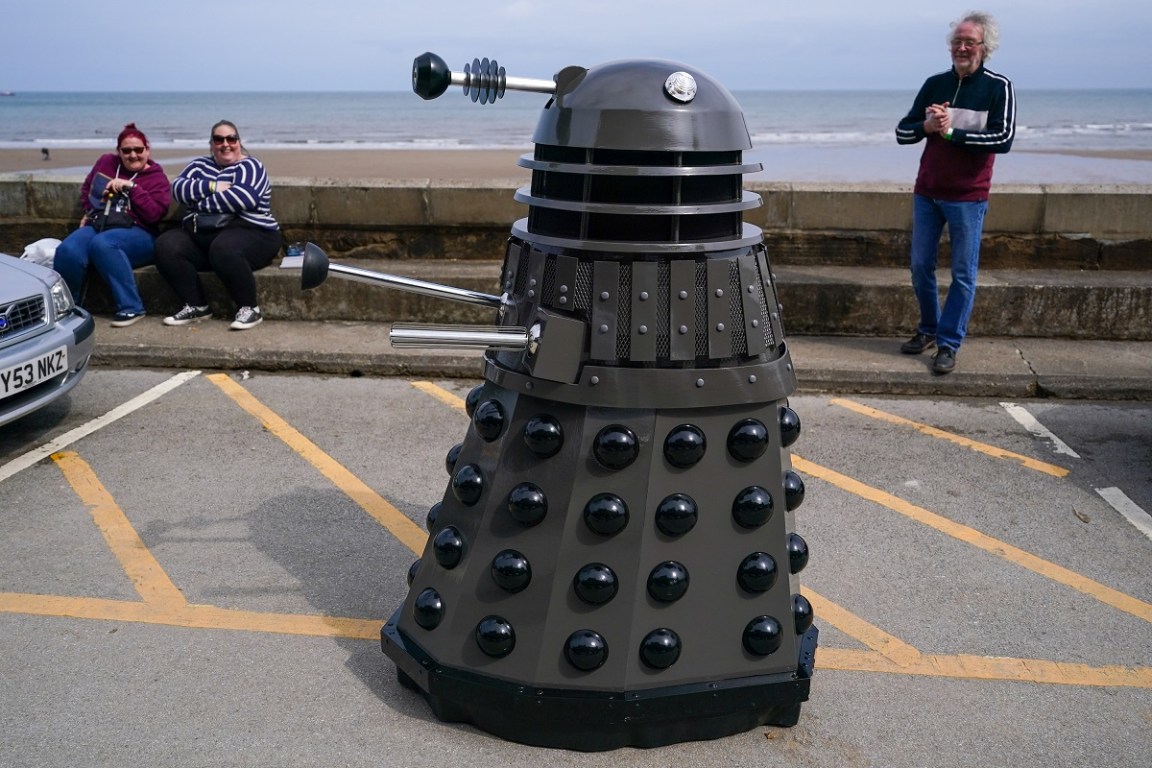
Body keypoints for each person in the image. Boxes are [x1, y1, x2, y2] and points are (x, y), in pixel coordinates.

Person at [895, 11, 1015, 374]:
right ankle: (929, 329)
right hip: (927, 192)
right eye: (957, 42)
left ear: (984, 47)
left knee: (963, 274)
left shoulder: (998, 87)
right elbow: (902, 132)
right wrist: (928, 126)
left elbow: (1003, 139)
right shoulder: (935, 84)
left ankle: (948, 343)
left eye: (970, 42)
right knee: (920, 267)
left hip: (968, 197)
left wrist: (952, 133)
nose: (962, 48)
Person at [154, 120, 281, 330]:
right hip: (204, 234)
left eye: (231, 138)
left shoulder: (251, 166)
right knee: (165, 245)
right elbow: (177, 189)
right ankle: (197, 305)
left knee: (224, 247)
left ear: (239, 142)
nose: (225, 144)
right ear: (211, 144)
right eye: (219, 139)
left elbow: (243, 198)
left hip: (255, 234)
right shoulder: (198, 166)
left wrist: (199, 203)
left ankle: (250, 309)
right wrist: (213, 186)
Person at [53, 123, 171, 327]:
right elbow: (87, 188)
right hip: (100, 224)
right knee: (68, 250)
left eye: (138, 150)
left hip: (140, 232)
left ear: (147, 150)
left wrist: (132, 188)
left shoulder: (156, 177)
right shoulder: (106, 163)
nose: (133, 155)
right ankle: (69, 308)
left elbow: (154, 215)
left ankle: (132, 308)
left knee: (103, 244)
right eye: (127, 150)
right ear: (119, 151)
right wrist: (90, 211)